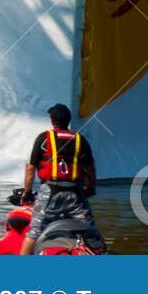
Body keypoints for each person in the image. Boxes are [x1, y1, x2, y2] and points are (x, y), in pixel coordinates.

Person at [19, 103, 98, 255]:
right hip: (76, 194)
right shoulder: (80, 140)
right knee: (90, 232)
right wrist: (90, 188)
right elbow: (90, 169)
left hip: (50, 192)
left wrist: (26, 192)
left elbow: (31, 168)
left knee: (34, 232)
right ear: (68, 120)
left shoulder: (44, 139)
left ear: (51, 120)